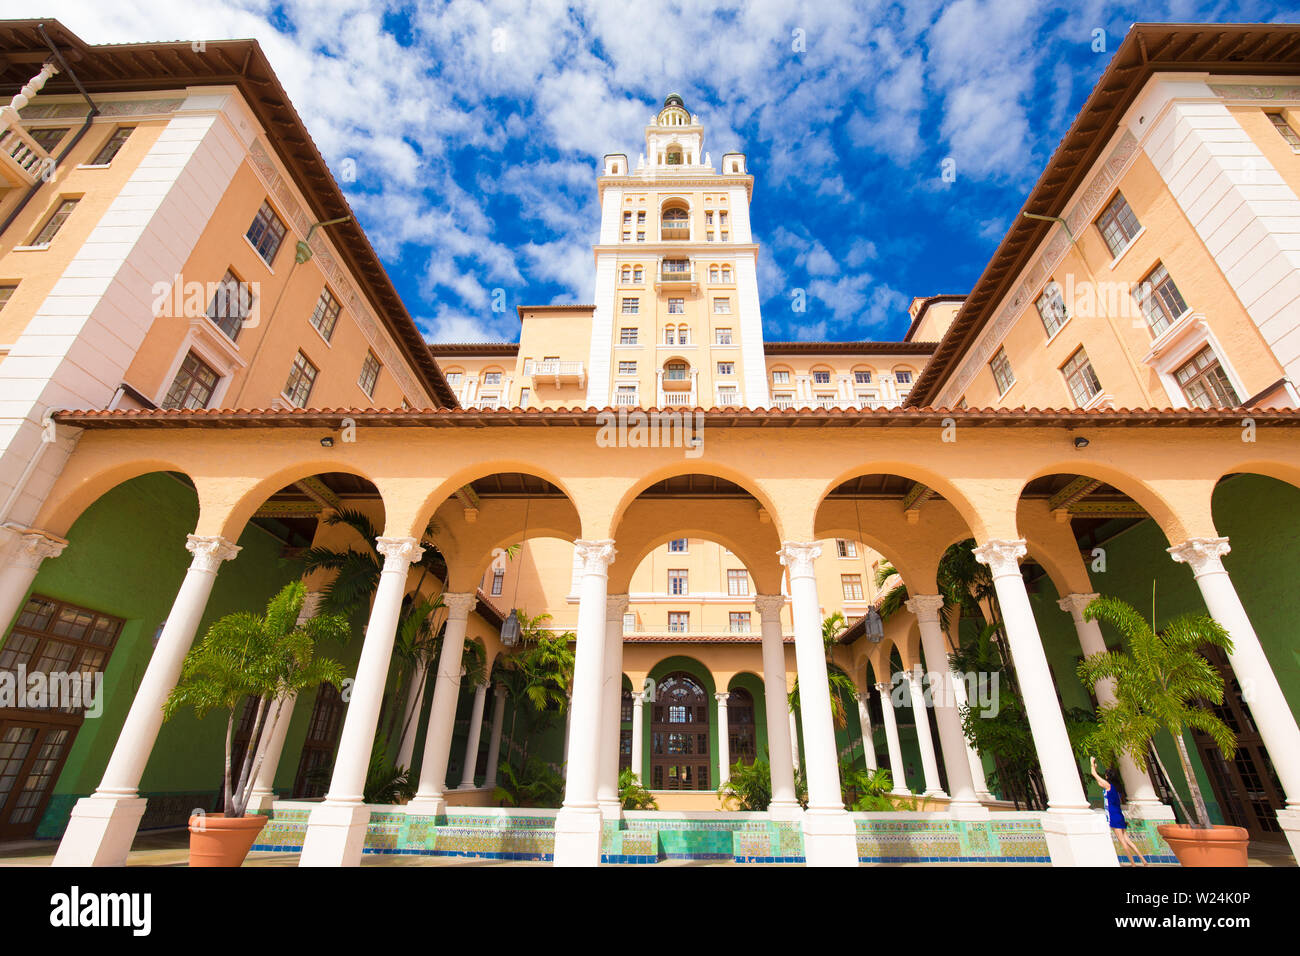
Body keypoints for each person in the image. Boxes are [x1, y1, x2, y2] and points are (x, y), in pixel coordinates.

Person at [1091, 756, 1148, 866]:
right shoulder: (1116, 789)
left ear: (1107, 777)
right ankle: (1143, 860)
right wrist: (1096, 769)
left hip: (1113, 816)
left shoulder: (1108, 786)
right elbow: (1098, 781)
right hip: (1119, 815)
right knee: (1128, 840)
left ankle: (1133, 863)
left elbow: (1094, 775)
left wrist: (1092, 763)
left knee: (1123, 841)